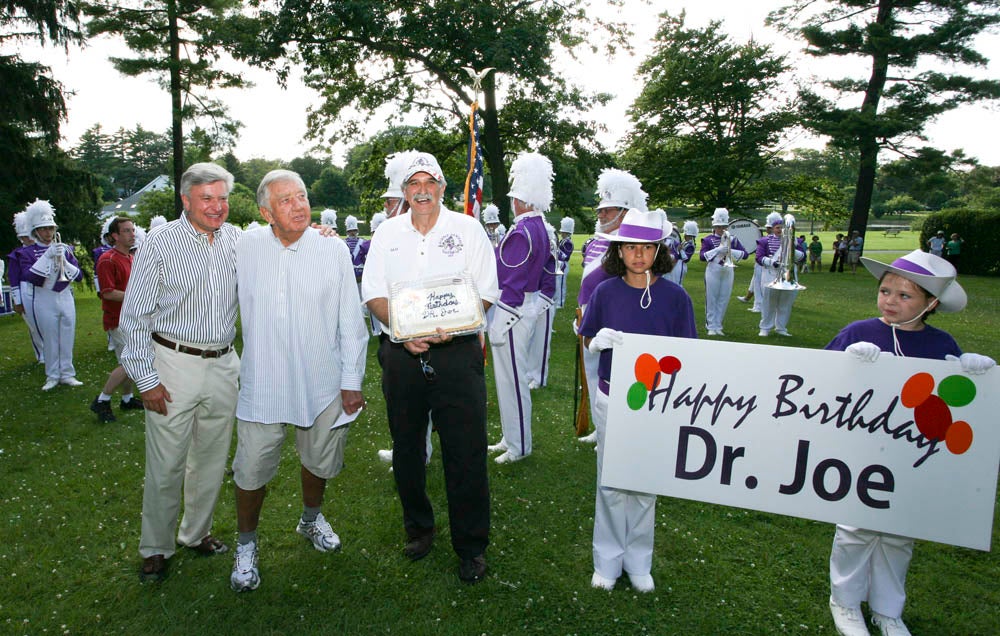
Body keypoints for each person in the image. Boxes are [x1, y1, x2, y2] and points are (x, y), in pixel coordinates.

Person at [823, 249, 994, 636]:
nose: (891, 302)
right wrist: (847, 362)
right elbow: (817, 382)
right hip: (861, 452)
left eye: (905, 296)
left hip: (910, 456)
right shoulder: (859, 333)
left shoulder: (940, 343)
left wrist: (974, 372)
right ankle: (846, 601)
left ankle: (888, 607)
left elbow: (957, 397)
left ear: (930, 303)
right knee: (856, 527)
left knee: (900, 532)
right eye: (885, 291)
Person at [361, 151, 498, 584]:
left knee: (466, 450)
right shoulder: (387, 232)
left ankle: (471, 545)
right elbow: (373, 292)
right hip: (401, 354)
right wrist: (403, 330)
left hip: (456, 353)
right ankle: (418, 528)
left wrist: (452, 328)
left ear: (442, 188)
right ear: (404, 192)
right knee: (406, 448)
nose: (422, 190)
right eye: (413, 184)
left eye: (430, 182)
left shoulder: (468, 228)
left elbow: (487, 291)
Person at [229, 170, 368, 593]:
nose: (299, 205)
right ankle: (246, 544)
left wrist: (351, 380)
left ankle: (310, 520)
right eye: (285, 200)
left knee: (319, 458)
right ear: (265, 212)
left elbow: (351, 319)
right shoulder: (244, 245)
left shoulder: (333, 250)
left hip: (322, 381)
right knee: (251, 469)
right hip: (263, 382)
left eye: (302, 196)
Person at [120, 162, 241, 582]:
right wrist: (147, 380)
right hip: (172, 362)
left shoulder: (237, 240)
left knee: (210, 458)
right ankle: (155, 546)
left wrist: (317, 236)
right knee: (167, 461)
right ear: (186, 200)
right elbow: (133, 316)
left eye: (222, 198)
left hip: (224, 363)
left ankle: (196, 533)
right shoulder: (159, 243)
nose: (217, 206)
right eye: (207, 198)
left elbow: (278, 253)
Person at [579, 208, 697, 593]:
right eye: (630, 246)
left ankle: (638, 560)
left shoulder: (676, 297)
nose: (638, 255)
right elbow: (587, 335)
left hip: (656, 403)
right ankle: (607, 560)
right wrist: (597, 342)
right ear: (619, 250)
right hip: (612, 398)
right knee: (611, 481)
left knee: (645, 481)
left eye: (647, 247)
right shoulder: (605, 291)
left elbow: (689, 354)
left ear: (659, 250)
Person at [487, 152, 556, 464]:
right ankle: (511, 436)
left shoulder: (521, 232)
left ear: (523, 200)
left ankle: (520, 445)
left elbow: (512, 283)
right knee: (510, 381)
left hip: (513, 311)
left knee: (512, 382)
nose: (511, 202)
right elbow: (547, 271)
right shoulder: (541, 227)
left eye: (515, 197)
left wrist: (498, 324)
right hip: (526, 308)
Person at [576, 169, 648, 444]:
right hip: (589, 316)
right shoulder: (596, 242)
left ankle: (613, 430)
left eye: (609, 210)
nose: (601, 215)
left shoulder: (629, 245)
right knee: (592, 376)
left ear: (625, 212)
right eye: (601, 209)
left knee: (612, 377)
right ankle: (599, 426)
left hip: (612, 320)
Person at [14, 200, 84, 390]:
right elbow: (31, 277)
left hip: (65, 296)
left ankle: (68, 373)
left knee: (67, 334)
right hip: (43, 298)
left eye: (50, 228)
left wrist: (65, 260)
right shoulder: (27, 252)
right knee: (50, 337)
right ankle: (52, 375)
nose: (48, 233)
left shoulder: (65, 249)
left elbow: (78, 276)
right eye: (43, 229)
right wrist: (47, 256)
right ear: (36, 231)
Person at [90, 217, 144, 423]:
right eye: (127, 231)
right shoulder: (107, 260)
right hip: (118, 319)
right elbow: (107, 292)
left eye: (133, 230)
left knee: (128, 360)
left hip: (132, 318)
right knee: (131, 361)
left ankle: (127, 399)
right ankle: (102, 400)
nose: (133, 234)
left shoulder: (130, 257)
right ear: (115, 236)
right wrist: (137, 296)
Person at [699, 207, 748, 337]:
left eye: (723, 227)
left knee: (723, 299)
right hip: (713, 271)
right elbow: (702, 257)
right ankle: (711, 326)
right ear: (714, 226)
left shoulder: (733, 239)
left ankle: (718, 325)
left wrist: (730, 250)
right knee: (712, 298)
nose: (721, 229)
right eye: (718, 227)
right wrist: (718, 250)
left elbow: (745, 255)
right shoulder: (708, 239)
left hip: (728, 271)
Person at [756, 215, 805, 337]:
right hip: (770, 274)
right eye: (777, 227)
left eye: (782, 227)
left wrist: (791, 246)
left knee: (785, 303)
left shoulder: (795, 241)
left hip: (788, 275)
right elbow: (759, 257)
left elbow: (802, 257)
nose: (779, 230)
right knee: (768, 303)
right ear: (773, 228)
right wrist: (772, 262)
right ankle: (765, 328)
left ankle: (781, 327)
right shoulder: (765, 241)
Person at [7, 211, 45, 363]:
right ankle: (41, 353)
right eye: (25, 237)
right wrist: (18, 301)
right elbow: (14, 278)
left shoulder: (41, 249)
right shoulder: (17, 254)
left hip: (44, 289)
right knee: (33, 324)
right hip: (26, 289)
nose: (28, 239)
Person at [555, 216, 575, 308]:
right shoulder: (563, 241)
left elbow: (565, 255)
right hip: (559, 264)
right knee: (558, 284)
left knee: (562, 284)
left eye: (562, 231)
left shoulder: (567, 242)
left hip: (563, 264)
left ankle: (561, 303)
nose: (561, 233)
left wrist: (555, 251)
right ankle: (557, 301)